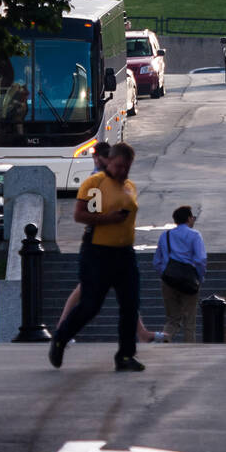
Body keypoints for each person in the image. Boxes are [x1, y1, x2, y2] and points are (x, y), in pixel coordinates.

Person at [56, 141, 165, 344]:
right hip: (99, 248)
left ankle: (139, 335)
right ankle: (62, 330)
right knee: (90, 298)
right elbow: (88, 214)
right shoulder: (95, 181)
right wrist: (111, 218)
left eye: (99, 158)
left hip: (118, 249)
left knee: (127, 298)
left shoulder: (121, 182)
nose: (98, 161)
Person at [50, 142, 143, 371]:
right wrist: (108, 219)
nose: (123, 171)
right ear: (109, 161)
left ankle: (125, 355)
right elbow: (80, 215)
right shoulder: (95, 184)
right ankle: (61, 338)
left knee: (130, 304)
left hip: (125, 254)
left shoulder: (129, 186)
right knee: (91, 304)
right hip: (98, 253)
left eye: (127, 167)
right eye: (119, 166)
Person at [153, 205, 207, 341]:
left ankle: (165, 340)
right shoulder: (195, 235)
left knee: (172, 319)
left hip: (169, 281)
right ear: (189, 219)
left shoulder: (165, 236)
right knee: (189, 321)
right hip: (189, 281)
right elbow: (200, 259)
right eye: (193, 217)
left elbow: (157, 261)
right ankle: (189, 353)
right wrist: (199, 278)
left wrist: (165, 275)